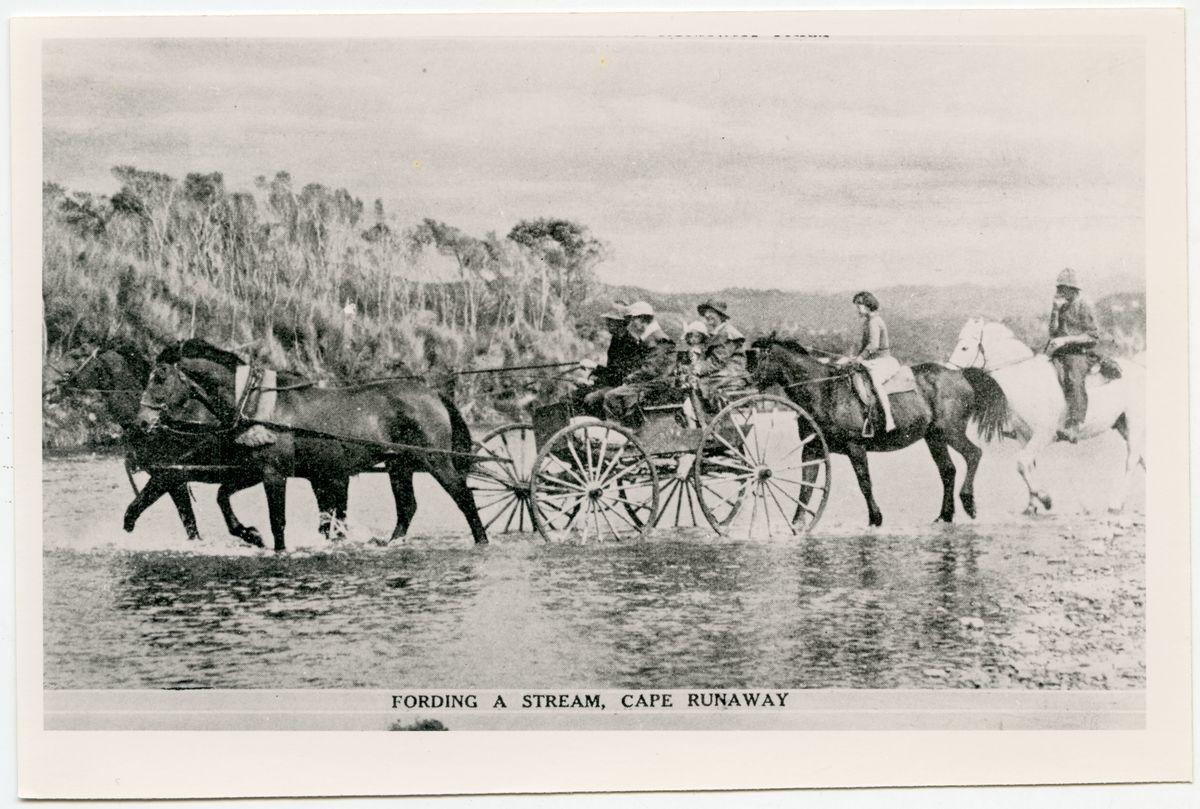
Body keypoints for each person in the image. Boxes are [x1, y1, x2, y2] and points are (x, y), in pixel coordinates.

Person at [1045, 267, 1100, 442]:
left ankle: (1076, 424)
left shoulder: (1084, 305)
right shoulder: (1060, 306)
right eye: (1058, 288)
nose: (1058, 292)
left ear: (1072, 289)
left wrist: (1066, 340)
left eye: (1062, 288)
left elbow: (1092, 336)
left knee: (1074, 379)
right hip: (1061, 351)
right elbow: (1053, 333)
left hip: (1081, 353)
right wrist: (1054, 312)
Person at [603, 301, 677, 427]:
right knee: (618, 393)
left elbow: (651, 370)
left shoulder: (658, 339)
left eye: (633, 320)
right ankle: (627, 429)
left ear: (643, 320)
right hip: (653, 382)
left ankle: (620, 433)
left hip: (658, 384)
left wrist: (631, 378)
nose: (630, 324)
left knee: (612, 396)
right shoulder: (649, 338)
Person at [841, 290, 899, 432]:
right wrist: (855, 358)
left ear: (867, 306)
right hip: (873, 361)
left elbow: (873, 346)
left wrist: (860, 358)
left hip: (883, 362)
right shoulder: (868, 322)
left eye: (859, 306)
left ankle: (889, 418)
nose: (857, 309)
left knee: (876, 382)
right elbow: (864, 347)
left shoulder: (874, 322)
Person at [580, 307, 639, 417]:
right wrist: (594, 378)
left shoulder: (630, 344)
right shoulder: (616, 340)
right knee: (578, 393)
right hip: (613, 384)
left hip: (622, 387)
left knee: (589, 399)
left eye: (610, 321)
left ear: (620, 323)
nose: (607, 324)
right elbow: (612, 371)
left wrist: (595, 367)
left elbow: (620, 375)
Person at [694, 298, 749, 403]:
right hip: (721, 373)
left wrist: (698, 369)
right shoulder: (716, 333)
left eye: (711, 312)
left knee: (699, 384)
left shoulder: (727, 333)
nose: (707, 315)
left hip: (732, 373)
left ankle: (707, 414)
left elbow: (717, 361)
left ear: (720, 315)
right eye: (705, 312)